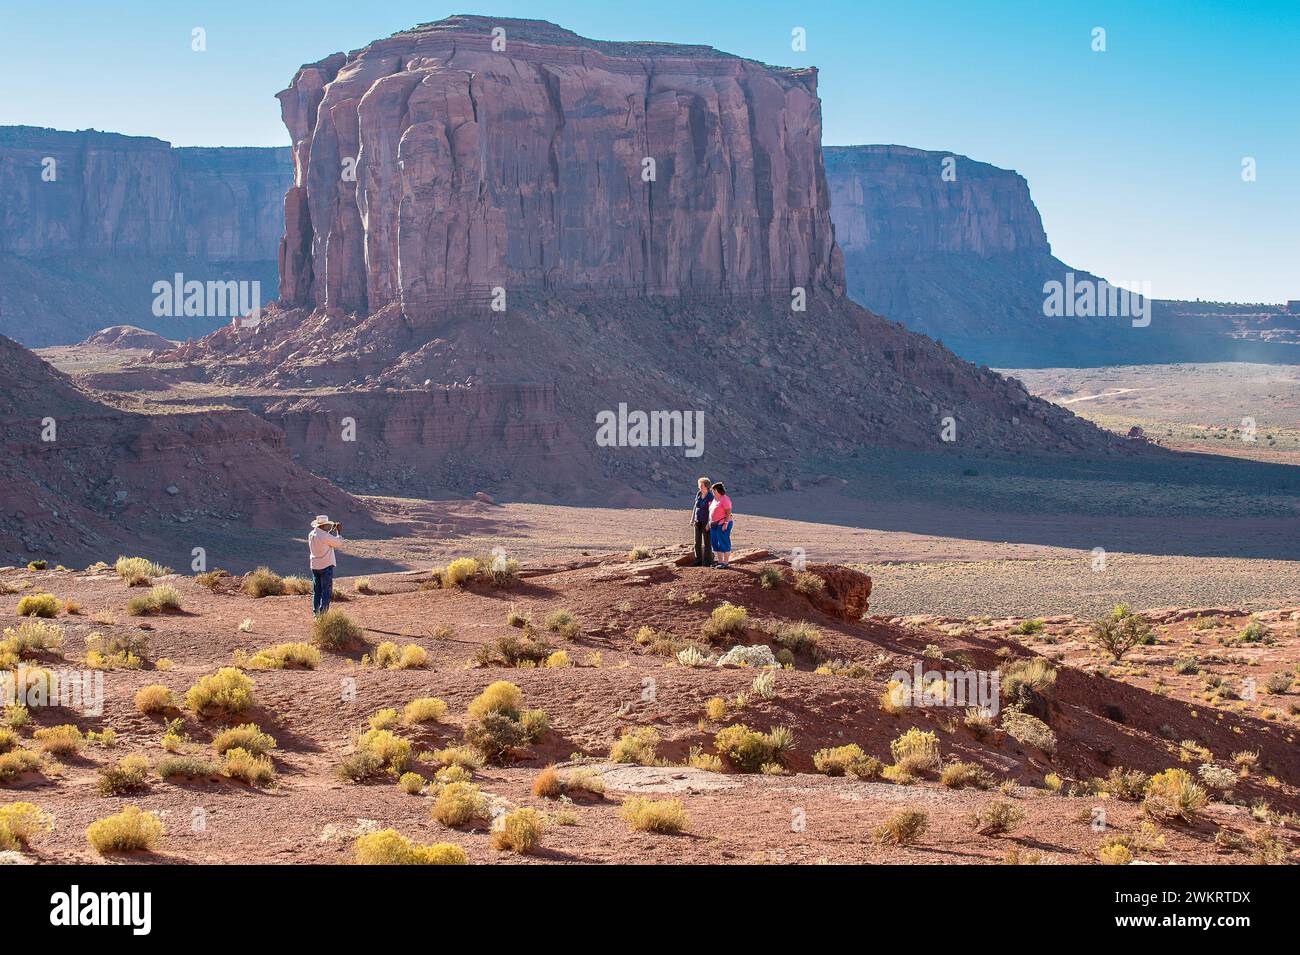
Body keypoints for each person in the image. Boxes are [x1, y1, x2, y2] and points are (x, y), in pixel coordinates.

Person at [308, 515, 343, 615]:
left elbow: (324, 539)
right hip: (325, 566)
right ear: (323, 526)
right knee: (326, 592)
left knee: (317, 591)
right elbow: (338, 543)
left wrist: (330, 532)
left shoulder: (311, 534)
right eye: (327, 525)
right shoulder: (325, 536)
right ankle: (323, 615)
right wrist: (338, 532)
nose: (328, 526)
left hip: (315, 566)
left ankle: (316, 614)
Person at [708, 482, 734, 569]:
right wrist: (709, 522)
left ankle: (725, 563)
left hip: (723, 523)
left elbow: (728, 511)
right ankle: (720, 562)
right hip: (714, 524)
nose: (712, 492)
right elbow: (711, 511)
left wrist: (725, 523)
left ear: (718, 490)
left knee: (723, 541)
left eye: (714, 490)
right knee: (715, 542)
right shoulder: (715, 499)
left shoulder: (725, 499)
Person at [691, 477, 714, 567]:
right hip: (698, 521)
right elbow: (695, 507)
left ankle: (708, 561)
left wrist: (709, 523)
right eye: (699, 485)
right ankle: (698, 560)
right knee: (697, 542)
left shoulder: (710, 497)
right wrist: (692, 519)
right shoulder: (699, 494)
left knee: (707, 542)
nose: (699, 487)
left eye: (701, 485)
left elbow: (712, 511)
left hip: (706, 521)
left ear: (706, 486)